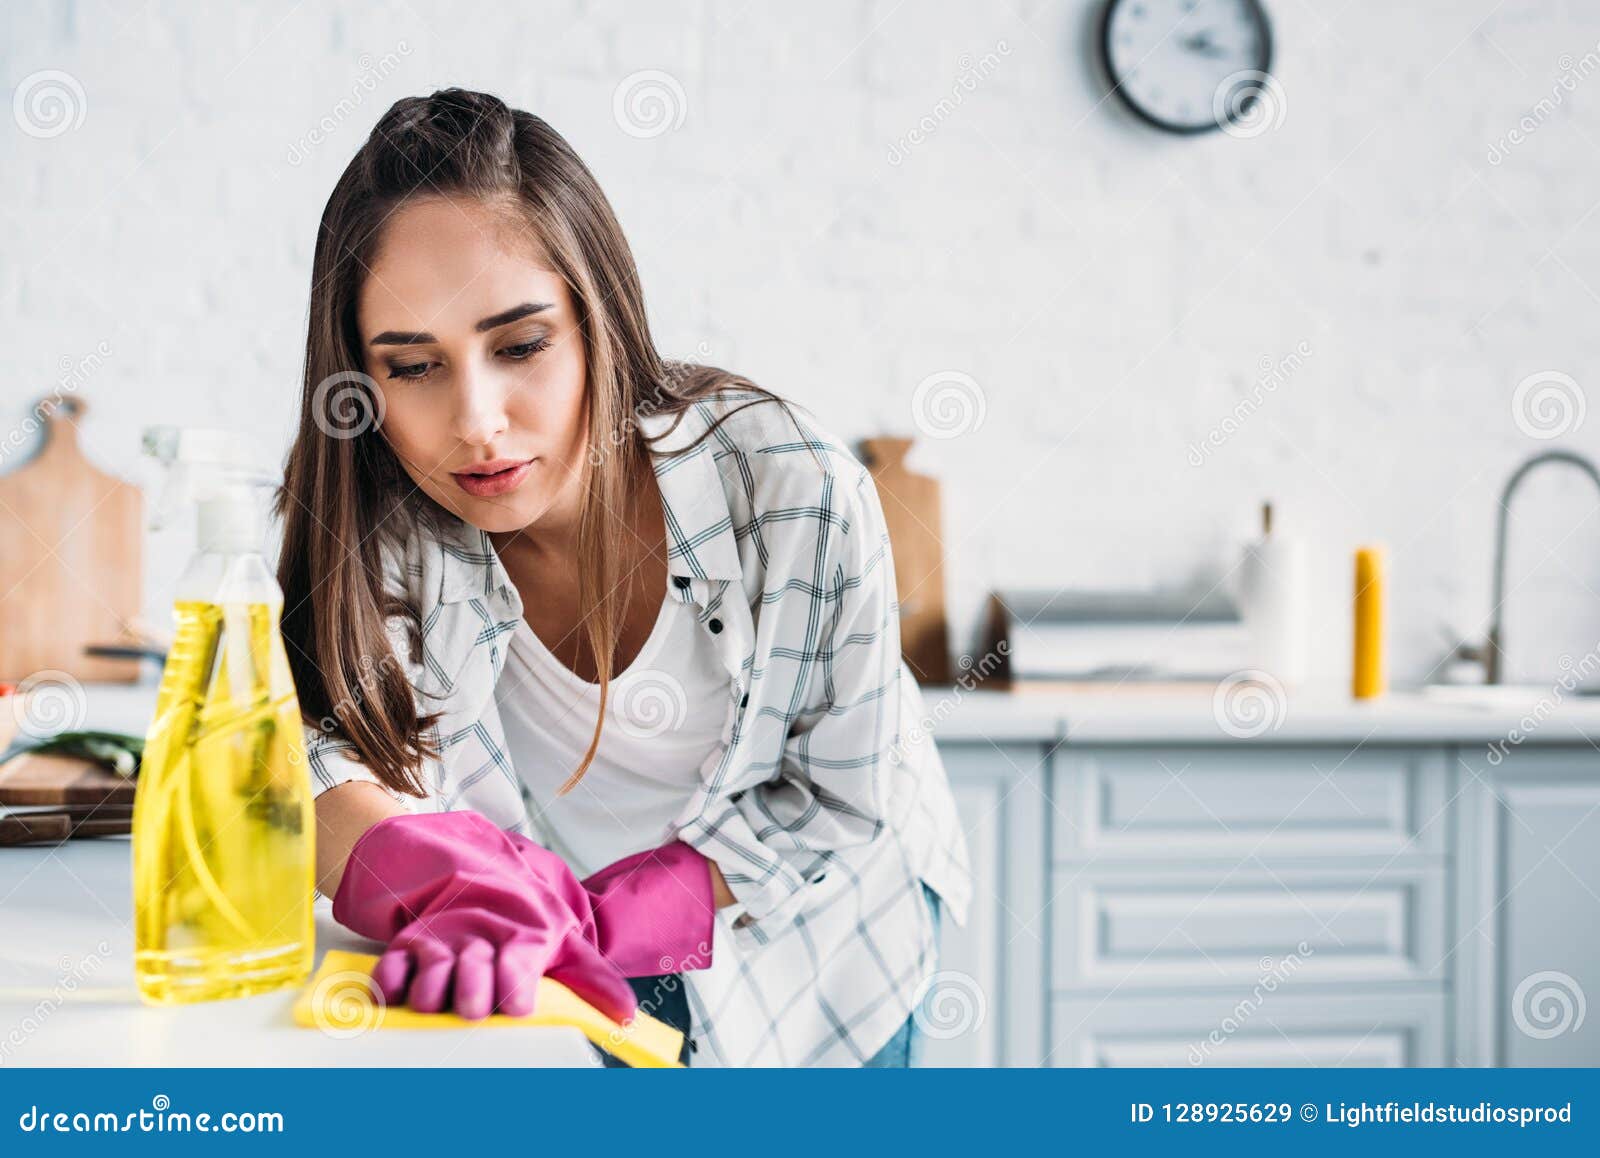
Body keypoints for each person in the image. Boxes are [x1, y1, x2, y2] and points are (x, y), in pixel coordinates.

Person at [274, 87, 972, 1067]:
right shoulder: (381, 521)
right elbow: (332, 757)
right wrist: (420, 875)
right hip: (558, 947)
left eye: (519, 345)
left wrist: (608, 916)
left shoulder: (791, 487)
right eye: (413, 366)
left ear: (601, 317)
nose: (476, 421)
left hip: (826, 948)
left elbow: (838, 796)